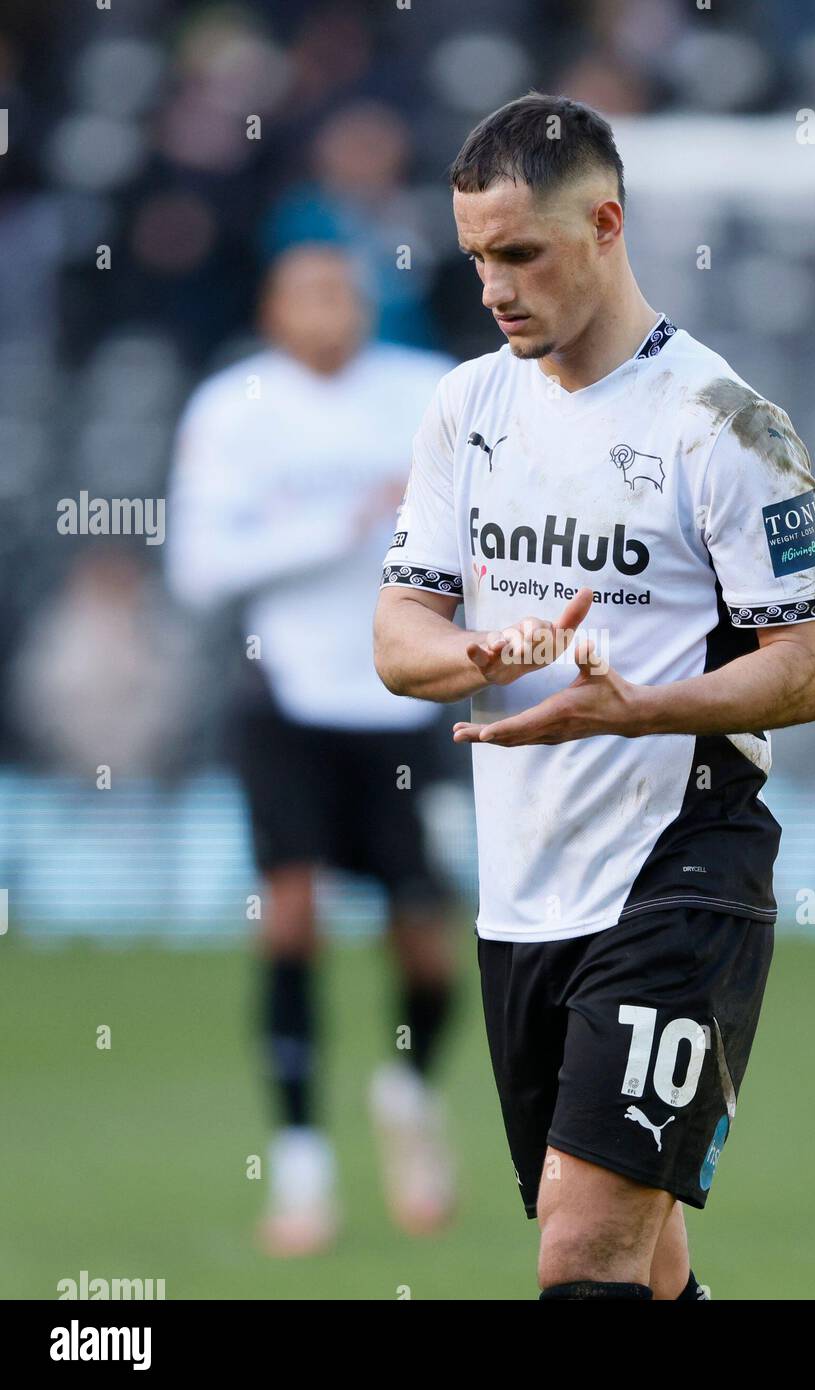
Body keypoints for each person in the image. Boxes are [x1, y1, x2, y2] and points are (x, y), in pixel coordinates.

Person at [374, 94, 815, 1300]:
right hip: (527, 894)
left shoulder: (728, 423)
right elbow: (397, 639)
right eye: (476, 255)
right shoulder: (464, 408)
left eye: (519, 252)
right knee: (647, 1265)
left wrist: (635, 707)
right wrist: (492, 651)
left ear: (606, 223)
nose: (492, 285)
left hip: (683, 869)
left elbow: (812, 666)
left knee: (581, 1259)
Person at [166, 245, 459, 1255]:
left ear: (366, 306)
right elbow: (201, 567)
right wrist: (346, 524)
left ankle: (407, 1091)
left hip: (405, 698)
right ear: (273, 309)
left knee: (423, 933)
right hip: (286, 696)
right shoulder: (231, 409)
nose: (326, 312)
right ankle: (301, 1166)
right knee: (289, 914)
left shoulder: (429, 395)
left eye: (342, 293)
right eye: (305, 295)